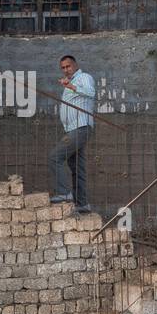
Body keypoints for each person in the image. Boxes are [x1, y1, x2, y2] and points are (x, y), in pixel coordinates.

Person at [49, 54, 97, 214]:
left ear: (75, 65)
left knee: (55, 157)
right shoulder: (70, 82)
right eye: (63, 68)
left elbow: (90, 93)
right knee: (77, 167)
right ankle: (82, 204)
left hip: (81, 127)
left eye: (68, 66)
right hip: (73, 129)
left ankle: (63, 193)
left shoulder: (84, 77)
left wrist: (72, 86)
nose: (66, 70)